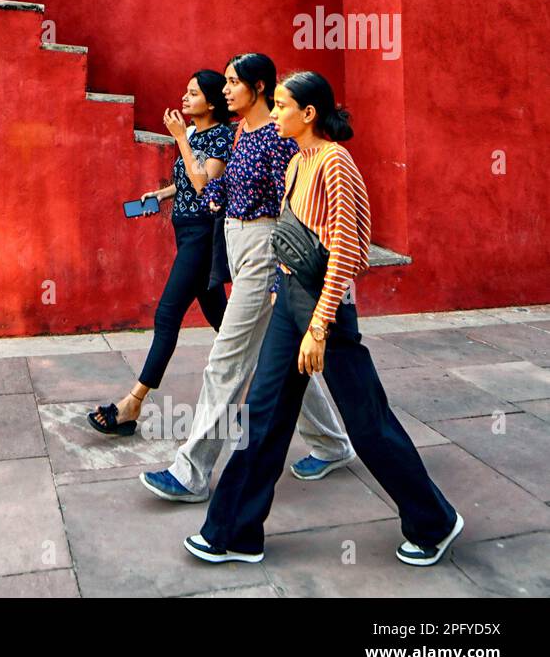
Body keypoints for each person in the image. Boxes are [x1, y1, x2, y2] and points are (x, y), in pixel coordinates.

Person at [186, 71, 462, 566]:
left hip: (324, 308)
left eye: (283, 106)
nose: (274, 114)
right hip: (289, 299)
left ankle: (434, 522)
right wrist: (279, 291)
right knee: (263, 416)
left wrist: (318, 325)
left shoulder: (336, 162)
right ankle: (234, 532)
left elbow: (349, 250)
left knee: (367, 423)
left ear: (308, 113)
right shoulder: (297, 162)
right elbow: (290, 238)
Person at [139, 53, 353, 502]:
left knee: (227, 359)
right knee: (282, 358)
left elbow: (291, 209)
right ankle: (332, 443)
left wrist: (280, 277)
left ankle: (191, 471)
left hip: (263, 252)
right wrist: (202, 178)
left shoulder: (277, 140)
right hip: (238, 247)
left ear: (258, 88)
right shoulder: (242, 133)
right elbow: (213, 190)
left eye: (235, 82)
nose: (227, 89)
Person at [90, 71, 231, 434]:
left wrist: (182, 138)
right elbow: (185, 181)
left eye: (193, 93)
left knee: (167, 316)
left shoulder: (220, 137)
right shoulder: (195, 134)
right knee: (225, 323)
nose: (184, 98)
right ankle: (276, 373)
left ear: (212, 103)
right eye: (185, 91)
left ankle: (132, 403)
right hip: (184, 234)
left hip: (202, 238)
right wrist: (163, 194)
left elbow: (204, 185)